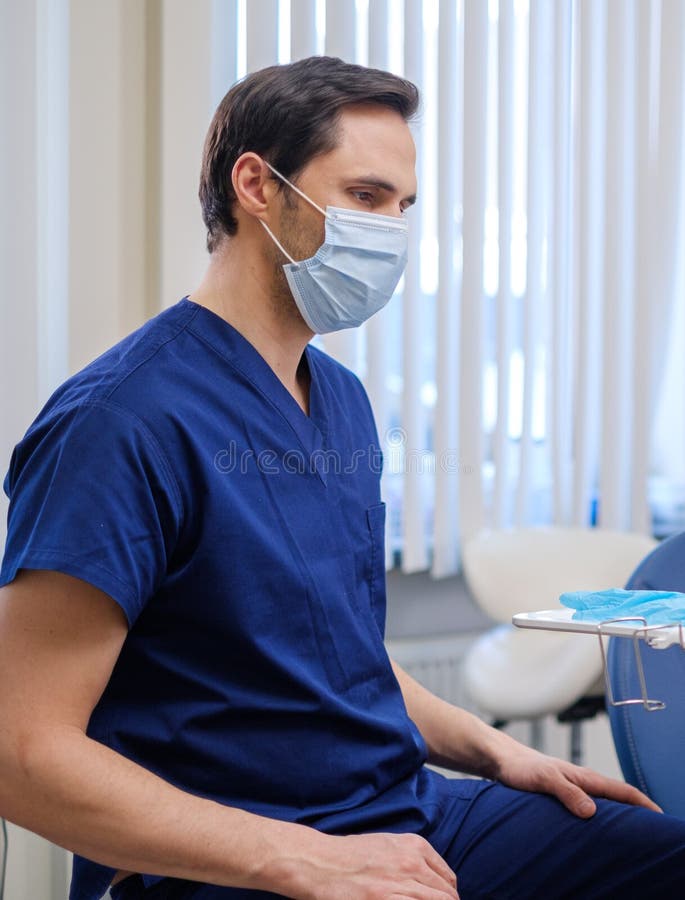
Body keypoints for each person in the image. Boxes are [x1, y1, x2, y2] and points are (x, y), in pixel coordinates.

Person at [0, 56, 683, 900]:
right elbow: (23, 754)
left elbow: (334, 652)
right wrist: (300, 858)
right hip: (236, 855)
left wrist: (493, 748)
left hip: (403, 809)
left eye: (403, 207)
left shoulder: (344, 403)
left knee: (661, 852)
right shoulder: (120, 421)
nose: (391, 230)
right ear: (255, 184)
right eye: (365, 198)